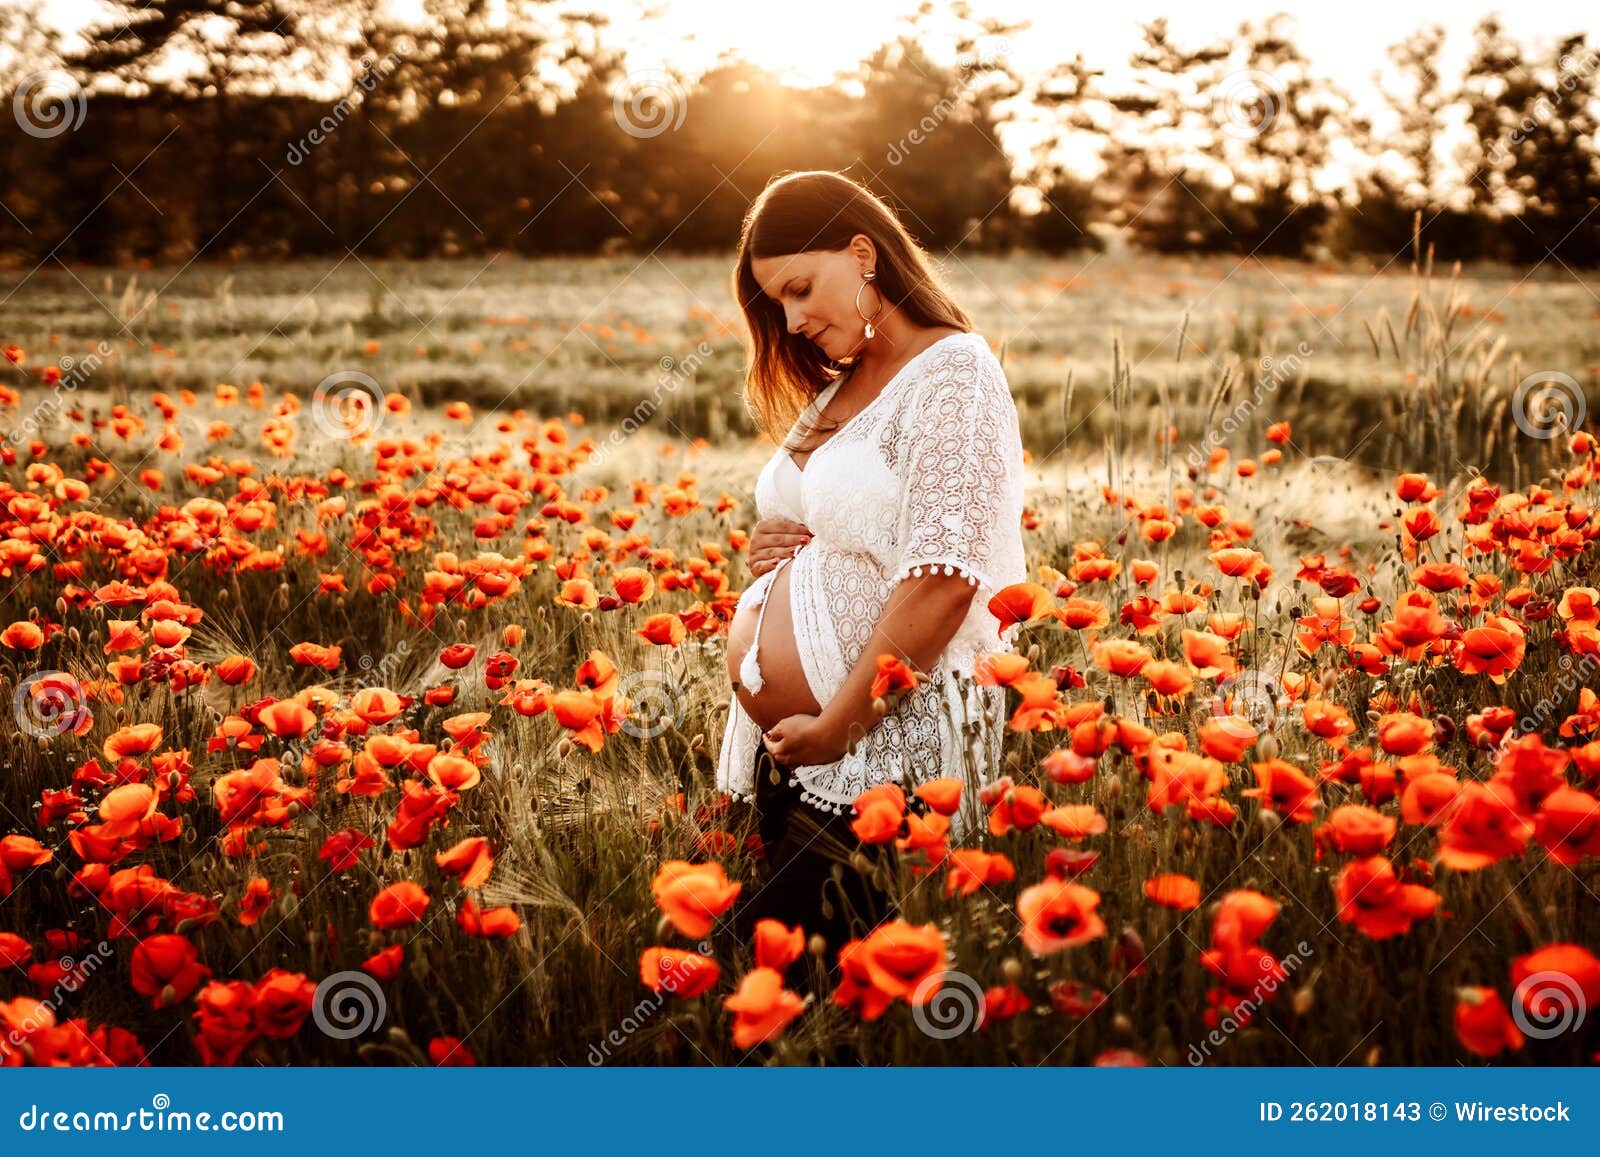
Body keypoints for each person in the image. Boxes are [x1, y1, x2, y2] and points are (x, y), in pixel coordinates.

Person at [717, 170, 1028, 970]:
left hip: (878, 753)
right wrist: (774, 550)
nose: (790, 317)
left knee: (803, 1000)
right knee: (774, 999)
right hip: (797, 751)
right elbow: (834, 518)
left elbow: (944, 576)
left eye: (799, 288)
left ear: (863, 254)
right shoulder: (843, 382)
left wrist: (839, 725)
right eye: (774, 303)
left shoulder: (954, 373)